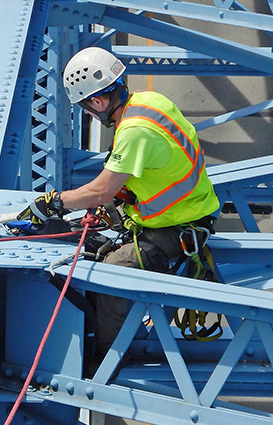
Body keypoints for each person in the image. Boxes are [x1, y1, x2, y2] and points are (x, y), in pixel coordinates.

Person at [14, 46, 221, 378]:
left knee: (112, 270)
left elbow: (101, 190)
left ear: (96, 102)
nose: (92, 114)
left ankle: (105, 362)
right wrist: (113, 204)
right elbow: (143, 173)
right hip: (183, 208)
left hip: (177, 226)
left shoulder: (133, 132)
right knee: (92, 238)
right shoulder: (150, 103)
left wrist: (53, 202)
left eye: (87, 108)